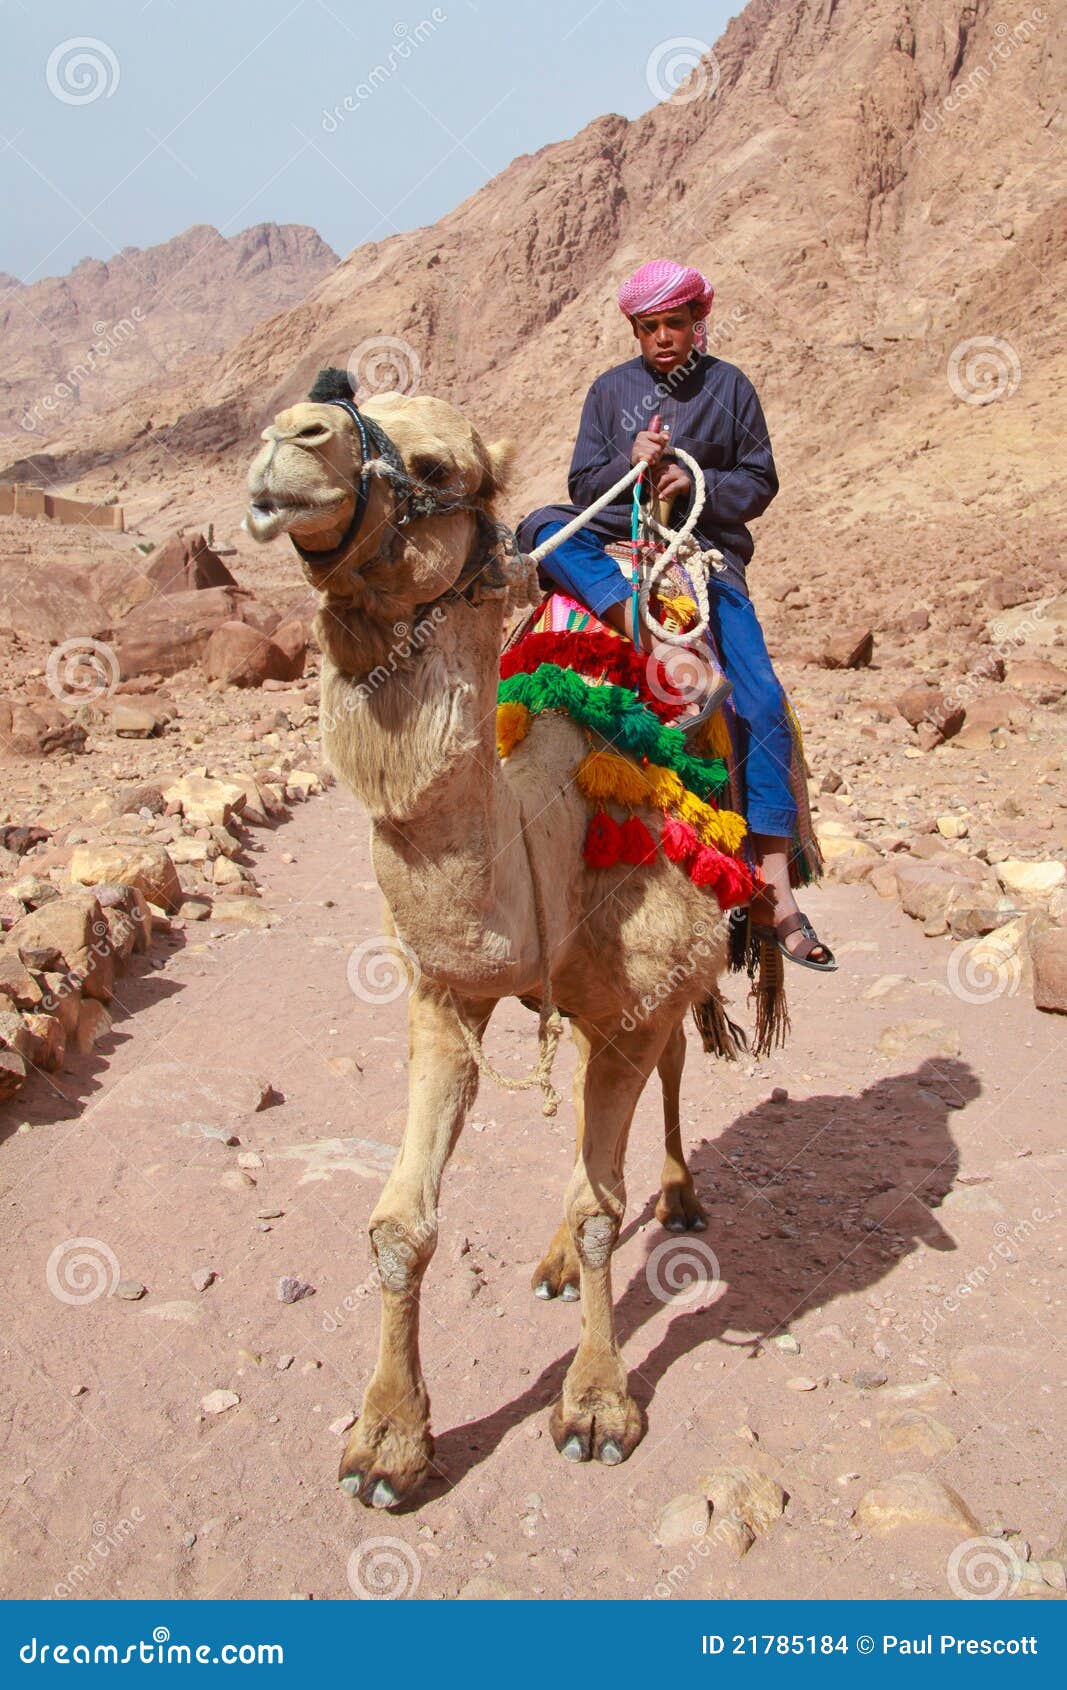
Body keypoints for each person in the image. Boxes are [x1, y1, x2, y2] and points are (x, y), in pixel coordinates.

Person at [516, 258, 835, 970]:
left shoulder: (730, 387)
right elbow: (582, 483)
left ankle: (776, 891)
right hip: (620, 538)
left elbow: (758, 480)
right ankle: (640, 629)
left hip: (704, 550)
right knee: (538, 526)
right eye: (649, 326)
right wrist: (628, 464)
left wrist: (688, 476)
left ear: (697, 323)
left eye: (675, 323)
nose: (663, 337)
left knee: (759, 701)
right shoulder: (609, 391)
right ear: (635, 329)